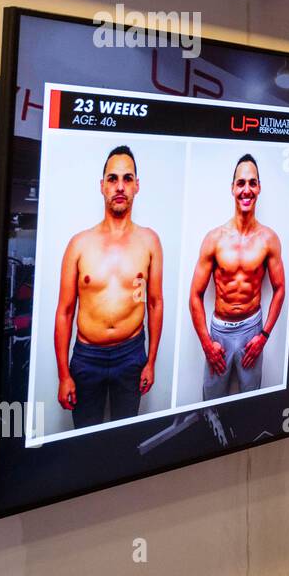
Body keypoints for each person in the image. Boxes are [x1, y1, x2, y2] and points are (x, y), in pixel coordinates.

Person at [54, 145, 164, 428]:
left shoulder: (149, 241)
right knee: (84, 439)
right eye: (112, 179)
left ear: (137, 186)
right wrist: (64, 375)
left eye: (127, 179)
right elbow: (65, 312)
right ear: (101, 186)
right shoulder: (79, 244)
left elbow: (154, 303)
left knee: (123, 439)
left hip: (131, 355)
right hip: (87, 357)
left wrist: (150, 362)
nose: (120, 186)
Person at [189, 154, 286, 400]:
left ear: (259, 188)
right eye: (241, 183)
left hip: (252, 330)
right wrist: (207, 345)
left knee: (250, 403)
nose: (247, 189)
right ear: (232, 188)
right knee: (210, 404)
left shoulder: (269, 239)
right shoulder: (214, 239)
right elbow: (195, 295)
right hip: (219, 331)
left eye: (252, 183)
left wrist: (263, 336)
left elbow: (280, 289)